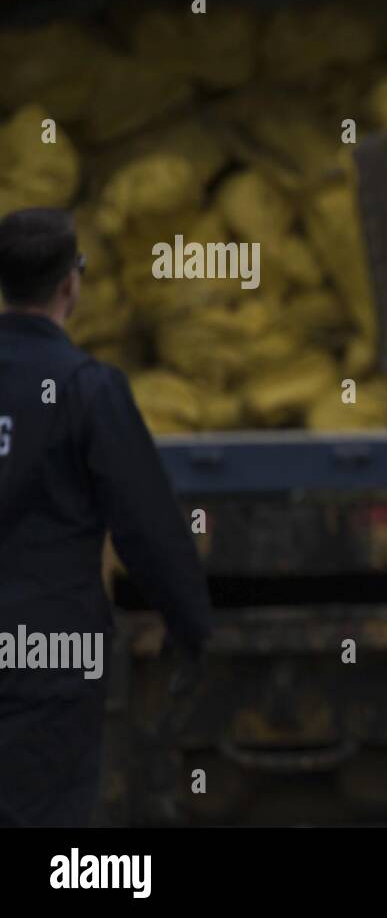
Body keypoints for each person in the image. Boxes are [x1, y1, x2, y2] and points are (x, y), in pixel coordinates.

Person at [0, 207, 212, 826]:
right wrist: (190, 626)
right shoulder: (87, 389)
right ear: (71, 283)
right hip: (49, 653)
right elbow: (147, 528)